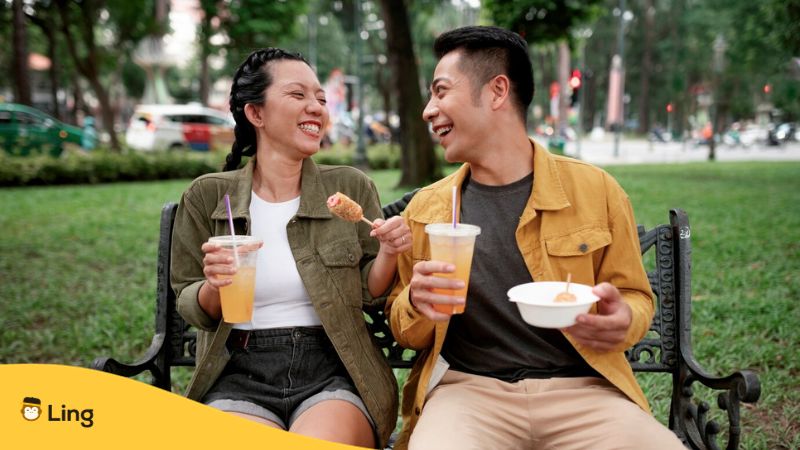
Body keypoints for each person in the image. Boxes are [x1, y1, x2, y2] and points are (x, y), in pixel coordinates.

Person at [387, 26, 686, 450]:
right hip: (469, 393)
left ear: (497, 91)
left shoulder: (596, 190)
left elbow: (635, 297)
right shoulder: (428, 209)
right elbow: (406, 329)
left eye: (440, 91)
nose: (428, 110)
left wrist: (624, 321)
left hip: (585, 389)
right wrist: (417, 303)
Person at [170, 48, 410, 448]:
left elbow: (370, 292)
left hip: (333, 366)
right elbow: (191, 302)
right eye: (298, 96)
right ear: (256, 114)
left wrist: (388, 252)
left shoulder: (350, 186)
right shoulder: (208, 196)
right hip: (238, 371)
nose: (316, 107)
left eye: (319, 97)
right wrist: (215, 283)